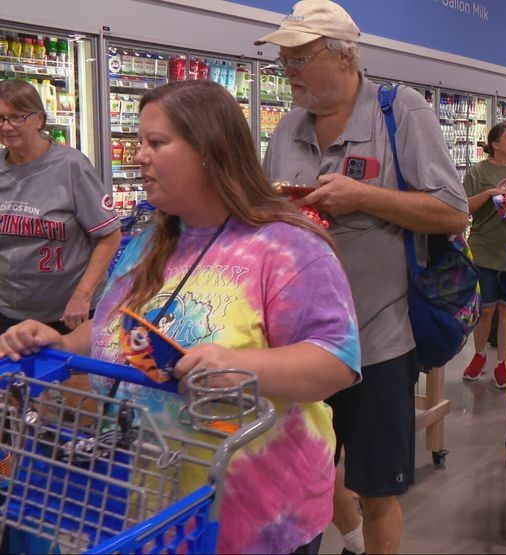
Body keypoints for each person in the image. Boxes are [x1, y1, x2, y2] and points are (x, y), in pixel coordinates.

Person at [0, 79, 362, 554]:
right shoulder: (150, 241)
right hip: (151, 504)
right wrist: (61, 343)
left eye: (156, 142)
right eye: (139, 142)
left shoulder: (288, 247)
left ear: (209, 151)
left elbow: (336, 362)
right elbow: (116, 325)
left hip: (253, 514)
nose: (139, 156)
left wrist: (237, 365)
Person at [257, 2, 469, 553]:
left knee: (378, 491)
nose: (289, 70)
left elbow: (452, 212)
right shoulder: (287, 127)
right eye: (284, 59)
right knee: (301, 480)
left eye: (300, 58)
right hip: (300, 347)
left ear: (345, 56)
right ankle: (348, 537)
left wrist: (363, 197)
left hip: (379, 343)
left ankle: (362, 535)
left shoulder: (400, 111)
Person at [0, 79, 121, 334]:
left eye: (17, 117)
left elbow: (109, 236)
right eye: (0, 119)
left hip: (68, 315)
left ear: (39, 119)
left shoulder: (71, 166)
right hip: (10, 315)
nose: (6, 126)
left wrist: (82, 296)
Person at [461, 122, 506, 388]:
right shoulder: (478, 172)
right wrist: (488, 194)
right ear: (494, 144)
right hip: (484, 249)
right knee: (485, 310)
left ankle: (503, 364)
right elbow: (464, 207)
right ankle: (479, 355)